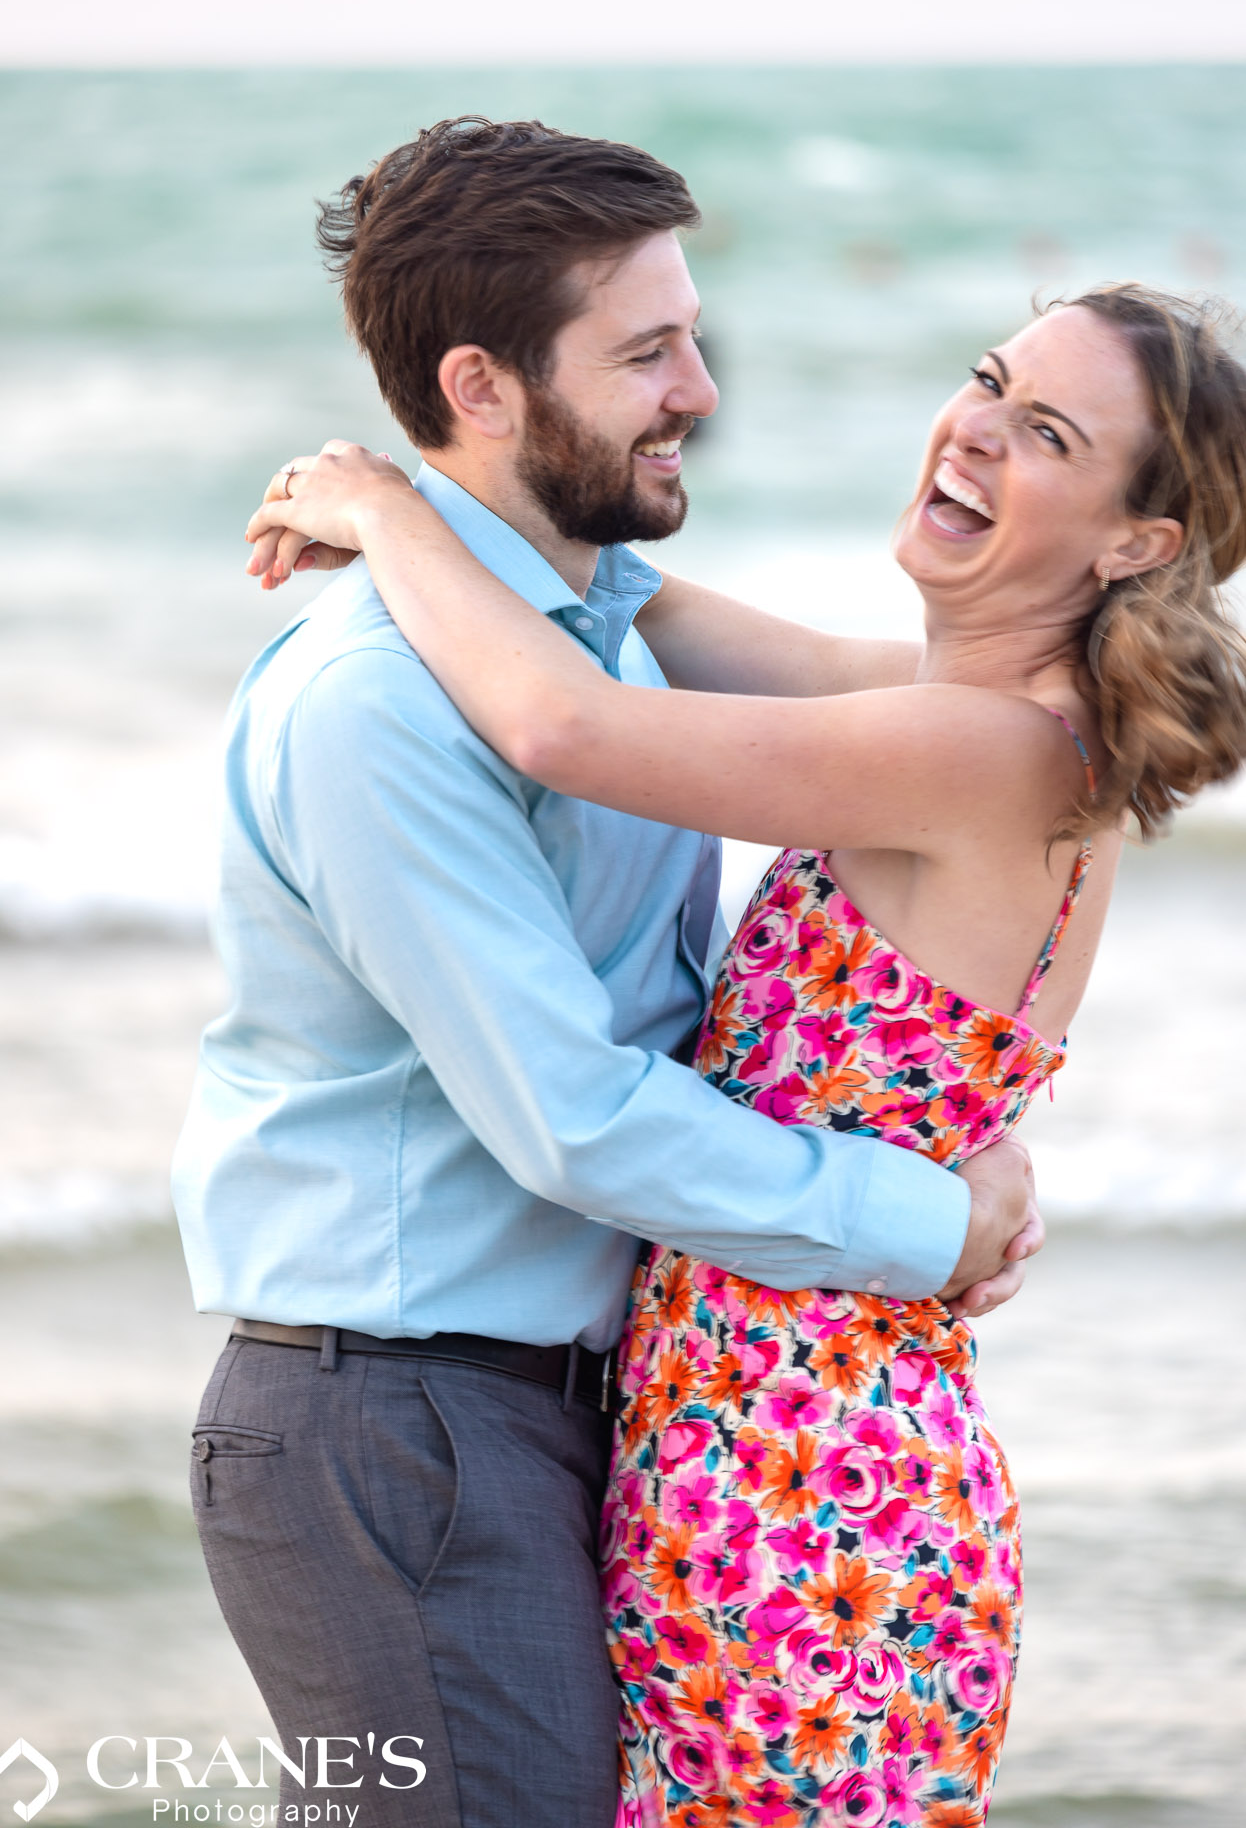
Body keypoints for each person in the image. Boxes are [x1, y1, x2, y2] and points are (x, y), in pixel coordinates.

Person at [245, 278, 1246, 1825]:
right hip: (818, 1442)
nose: (973, 428)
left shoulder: (976, 747)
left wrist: (383, 510)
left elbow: (568, 728)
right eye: (987, 377)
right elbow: (637, 610)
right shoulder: (983, 717)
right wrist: (453, 520)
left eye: (1042, 433)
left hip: (795, 1482)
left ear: (1137, 544)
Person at [172, 117, 1041, 1828]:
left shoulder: (604, 626)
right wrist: (931, 1225)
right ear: (481, 386)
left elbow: (935, 723)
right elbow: (569, 1115)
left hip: (568, 1410)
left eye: (690, 335)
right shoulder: (378, 706)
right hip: (396, 1424)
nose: (699, 389)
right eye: (646, 353)